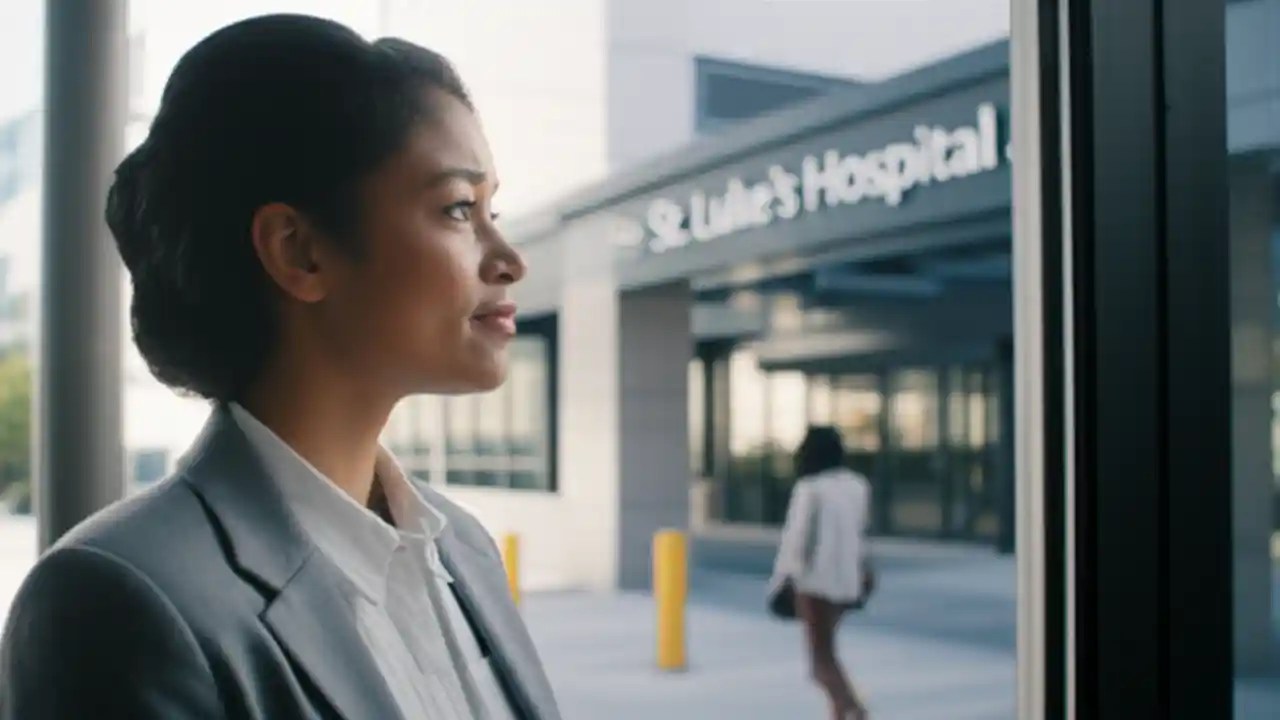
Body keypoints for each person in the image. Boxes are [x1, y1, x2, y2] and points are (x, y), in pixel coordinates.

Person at [0, 14, 560, 720]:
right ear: (299, 251)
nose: (509, 257)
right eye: (457, 208)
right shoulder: (115, 598)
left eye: (491, 209)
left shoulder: (464, 550)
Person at [770, 426, 874, 720]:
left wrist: (785, 577)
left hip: (813, 582)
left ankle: (852, 710)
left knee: (820, 661)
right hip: (847, 583)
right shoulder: (858, 486)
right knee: (828, 652)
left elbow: (797, 540)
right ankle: (843, 712)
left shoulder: (809, 488)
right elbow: (862, 534)